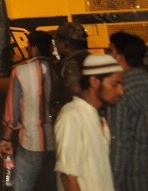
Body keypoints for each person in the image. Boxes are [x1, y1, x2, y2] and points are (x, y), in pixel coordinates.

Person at [0, 30, 58, 191]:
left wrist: (5, 138)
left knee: (22, 185)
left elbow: (12, 110)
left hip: (31, 141)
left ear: (34, 48)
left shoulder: (21, 71)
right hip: (58, 141)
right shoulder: (60, 70)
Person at [54, 53, 124, 191]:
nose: (120, 91)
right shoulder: (72, 115)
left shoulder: (98, 117)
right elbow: (69, 177)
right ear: (94, 81)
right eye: (115, 84)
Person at [107, 31, 146, 191]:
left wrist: (112, 183)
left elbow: (119, 141)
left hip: (134, 176)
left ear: (120, 58)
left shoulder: (120, 91)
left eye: (110, 51)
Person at [56, 22, 91, 105]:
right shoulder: (92, 58)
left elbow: (75, 91)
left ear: (64, 44)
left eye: (57, 41)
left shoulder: (71, 64)